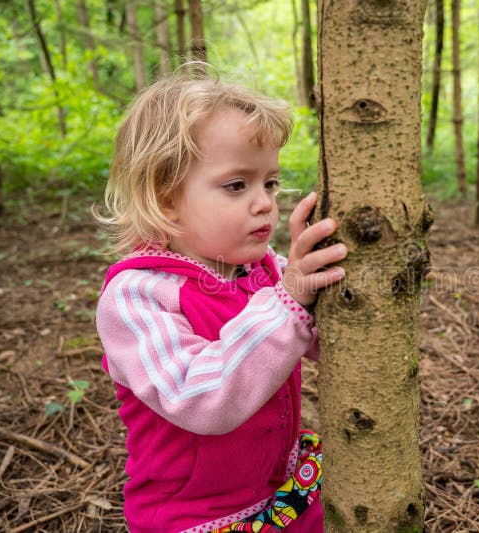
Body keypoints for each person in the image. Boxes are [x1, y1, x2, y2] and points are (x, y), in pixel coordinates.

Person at [94, 69, 347, 533]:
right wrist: (291, 302)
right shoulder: (136, 297)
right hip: (194, 516)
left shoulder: (262, 268)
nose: (265, 203)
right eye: (237, 185)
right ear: (165, 197)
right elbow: (202, 397)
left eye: (269, 183)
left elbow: (314, 342)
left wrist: (319, 289)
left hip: (277, 488)